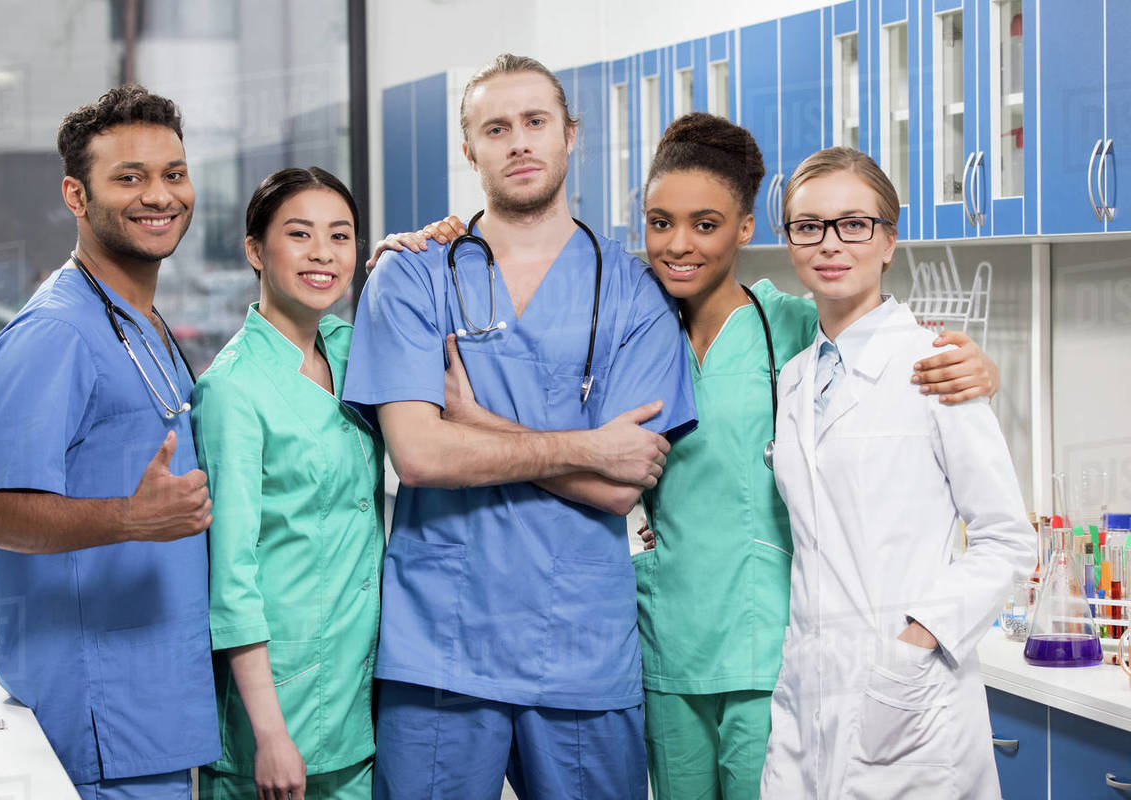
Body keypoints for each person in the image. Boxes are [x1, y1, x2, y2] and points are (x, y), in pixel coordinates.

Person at [399, 112, 999, 800]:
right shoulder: (616, 319)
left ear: (746, 228)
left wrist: (980, 366)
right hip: (661, 649)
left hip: (768, 653)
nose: (678, 245)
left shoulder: (793, 328)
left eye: (706, 225)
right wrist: (426, 241)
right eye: (659, 222)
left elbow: (886, 348)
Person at [344, 54, 696, 800]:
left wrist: (471, 422)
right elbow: (420, 454)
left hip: (580, 648)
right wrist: (590, 446)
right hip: (441, 644)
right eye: (495, 128)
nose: (519, 142)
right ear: (468, 150)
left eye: (536, 122)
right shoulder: (411, 275)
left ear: (571, 135)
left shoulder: (633, 293)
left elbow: (620, 489)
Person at [0, 85, 219, 799]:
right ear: (76, 196)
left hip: (154, 702)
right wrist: (131, 519)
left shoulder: (140, 318)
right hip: (101, 713)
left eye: (173, 173)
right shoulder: (55, 331)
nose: (159, 196)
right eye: (129, 177)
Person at [757, 147, 1035, 799]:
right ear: (790, 240)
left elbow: (1007, 539)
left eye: (853, 224)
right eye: (808, 226)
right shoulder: (796, 379)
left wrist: (916, 642)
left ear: (889, 238)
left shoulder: (935, 366)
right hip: (806, 706)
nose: (830, 243)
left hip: (913, 708)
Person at [192, 168, 382, 800]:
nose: (323, 254)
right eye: (299, 235)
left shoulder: (353, 351)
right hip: (278, 710)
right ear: (255, 251)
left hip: (360, 694)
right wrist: (270, 735)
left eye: (341, 236)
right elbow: (232, 576)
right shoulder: (232, 388)